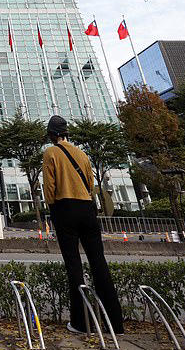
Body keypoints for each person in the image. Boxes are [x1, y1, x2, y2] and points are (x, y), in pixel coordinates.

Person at [42, 114, 124, 335]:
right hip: (87, 208)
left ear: (52, 134)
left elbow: (49, 188)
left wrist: (53, 207)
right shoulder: (83, 154)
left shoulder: (50, 153)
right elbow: (89, 183)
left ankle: (81, 322)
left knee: (74, 265)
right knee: (99, 263)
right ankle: (115, 323)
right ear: (67, 133)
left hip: (64, 208)